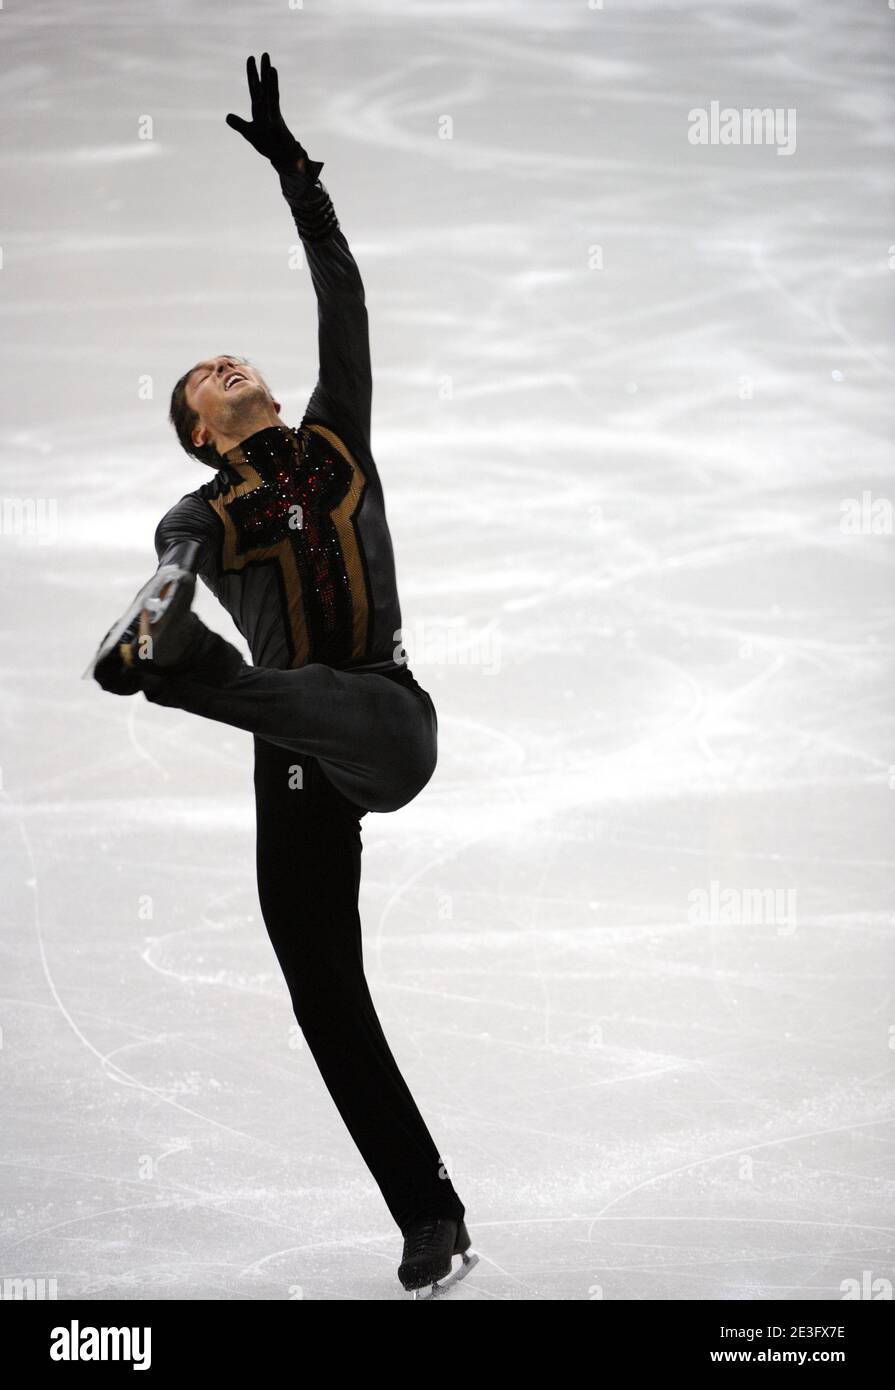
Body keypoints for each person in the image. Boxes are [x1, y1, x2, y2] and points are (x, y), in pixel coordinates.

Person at [92, 53, 475, 1297]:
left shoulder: (335, 438)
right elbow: (174, 558)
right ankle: (430, 1219)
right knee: (321, 989)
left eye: (228, 359)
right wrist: (160, 603)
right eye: (202, 380)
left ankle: (186, 674)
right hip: (291, 746)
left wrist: (298, 178)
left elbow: (341, 295)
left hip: (381, 718)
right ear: (200, 430)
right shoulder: (200, 504)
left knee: (286, 695)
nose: (224, 364)